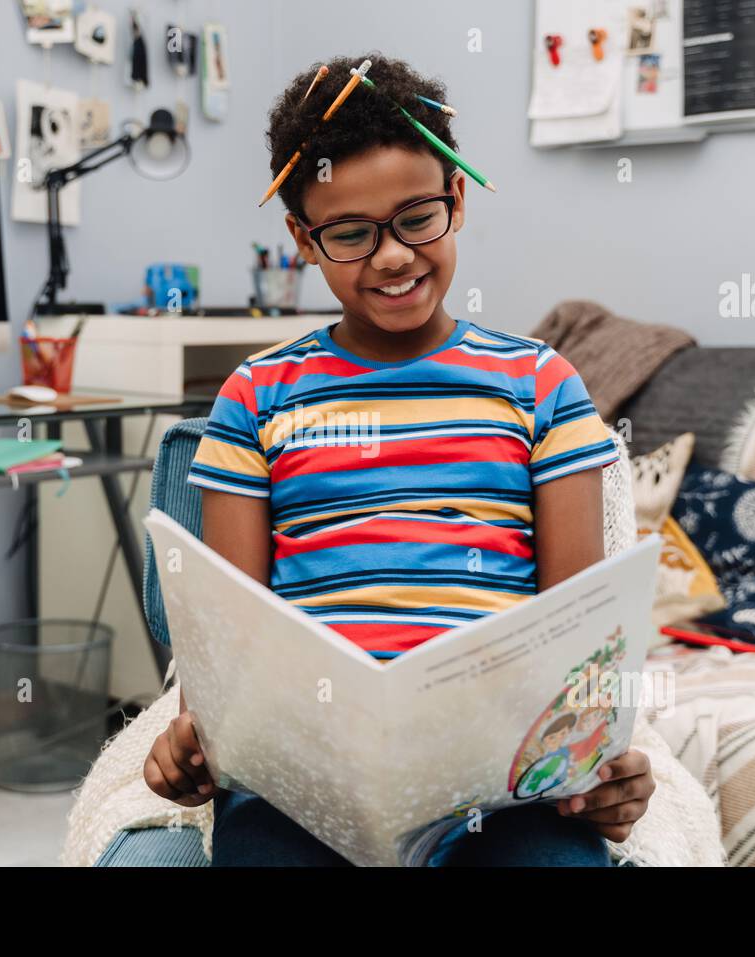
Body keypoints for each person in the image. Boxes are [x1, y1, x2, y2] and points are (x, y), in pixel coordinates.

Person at [144, 53, 654, 866]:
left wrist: (600, 762)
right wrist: (196, 742)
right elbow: (234, 642)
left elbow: (577, 632)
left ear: (456, 196)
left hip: (499, 779)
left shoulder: (539, 385)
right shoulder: (256, 398)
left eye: (417, 217)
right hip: (307, 778)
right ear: (303, 239)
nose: (390, 256)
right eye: (350, 234)